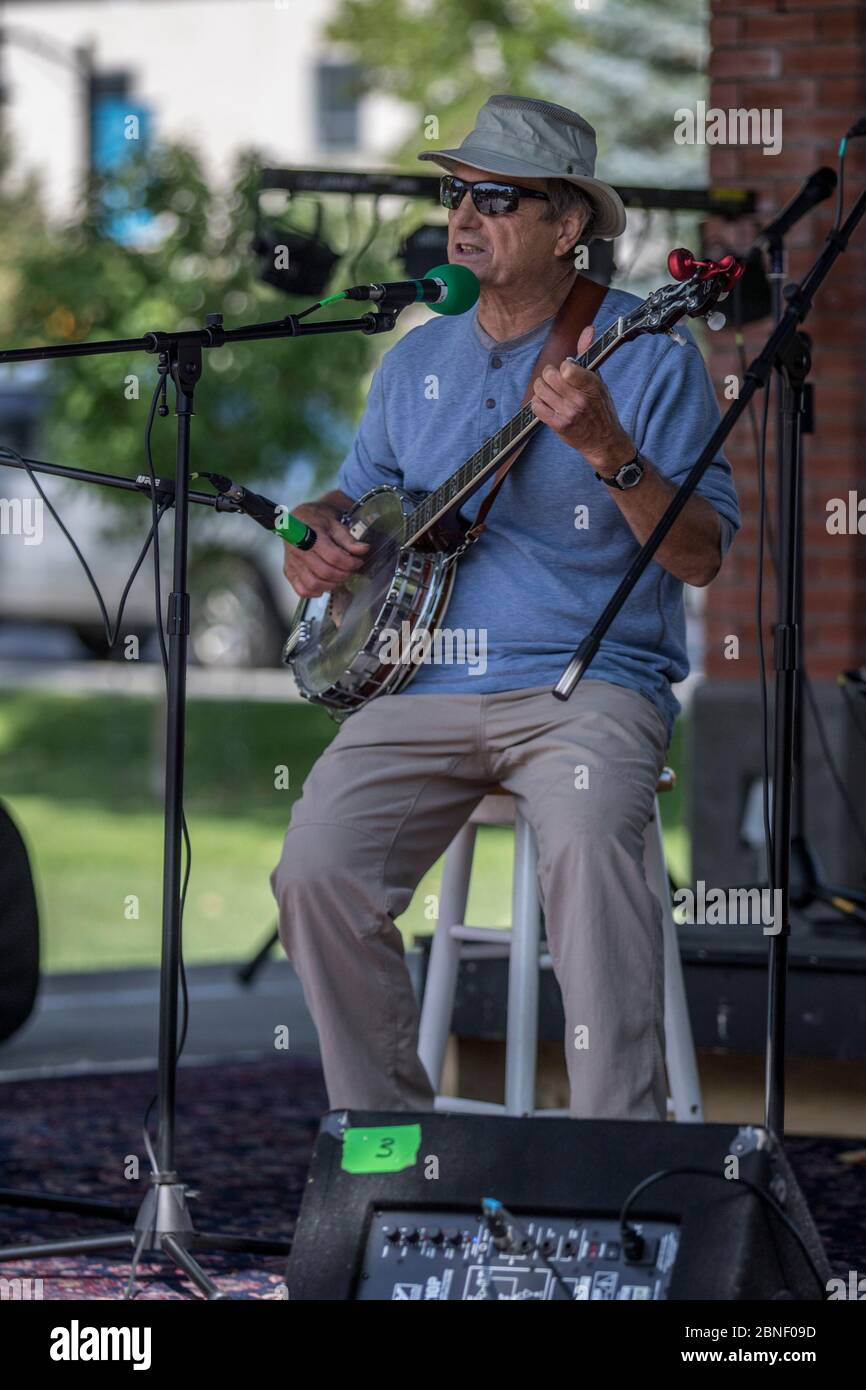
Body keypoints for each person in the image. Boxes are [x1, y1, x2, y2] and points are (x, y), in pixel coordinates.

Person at [271, 95, 740, 1120]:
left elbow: (700, 556)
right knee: (314, 872)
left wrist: (608, 450)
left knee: (583, 847)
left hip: (583, 687)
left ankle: (619, 1159)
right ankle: (391, 1149)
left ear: (568, 225)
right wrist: (320, 535)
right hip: (417, 685)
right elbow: (360, 503)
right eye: (455, 194)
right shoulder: (413, 359)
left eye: (496, 196)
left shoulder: (650, 352)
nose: (464, 216)